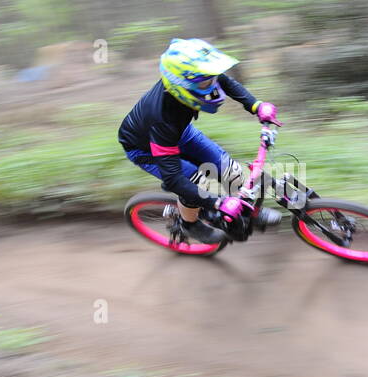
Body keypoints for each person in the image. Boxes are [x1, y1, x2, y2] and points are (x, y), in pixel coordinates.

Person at [118, 38, 279, 245]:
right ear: (183, 85)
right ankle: (189, 224)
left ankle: (248, 211)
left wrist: (256, 106)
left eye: (210, 78)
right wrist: (218, 202)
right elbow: (174, 179)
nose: (213, 83)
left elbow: (224, 81)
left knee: (230, 170)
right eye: (206, 81)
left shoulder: (193, 82)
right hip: (144, 148)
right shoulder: (162, 116)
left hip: (180, 133)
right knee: (196, 181)